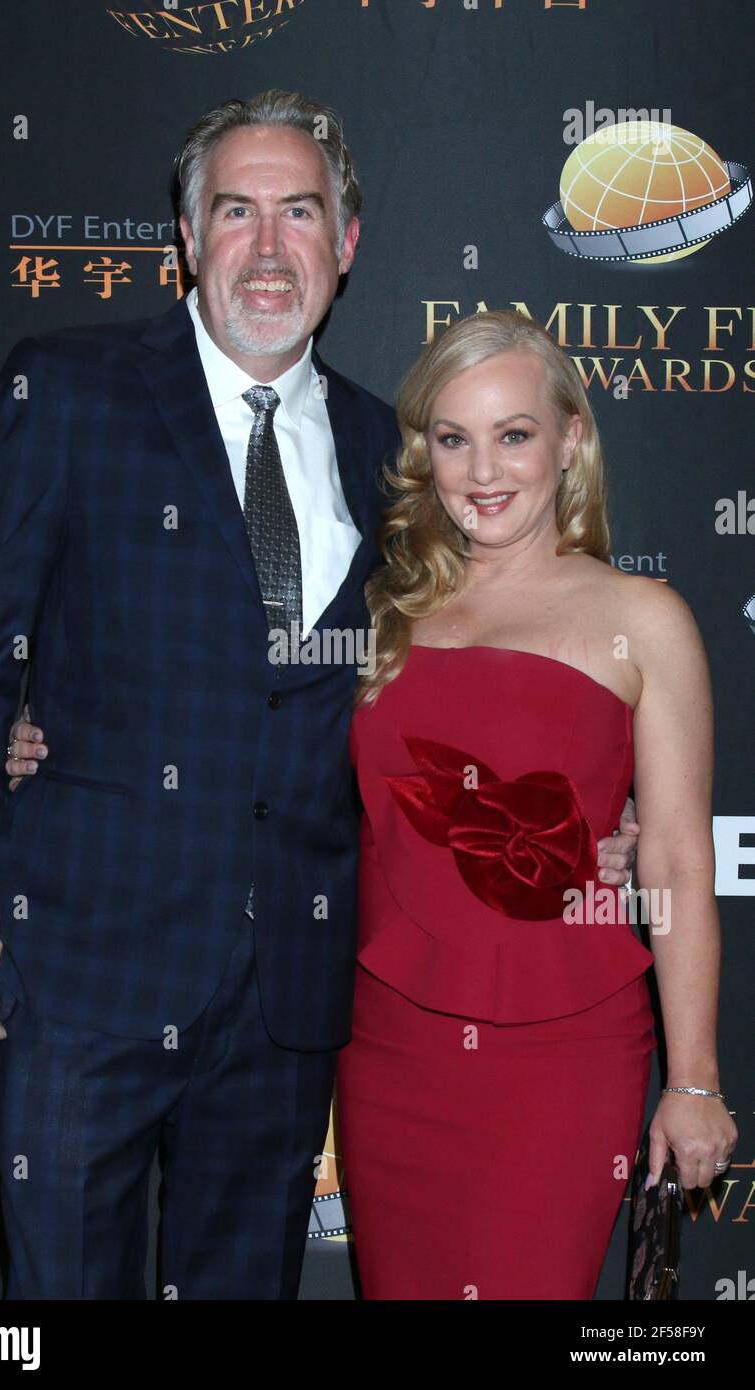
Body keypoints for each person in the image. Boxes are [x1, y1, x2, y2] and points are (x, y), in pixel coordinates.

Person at [0, 91, 636, 1302]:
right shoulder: (70, 392)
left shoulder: (394, 455)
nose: (265, 247)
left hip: (291, 996)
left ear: (344, 243)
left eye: (297, 213)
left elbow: (483, 668)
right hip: (81, 965)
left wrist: (588, 820)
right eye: (233, 211)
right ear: (185, 240)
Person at [333, 309, 738, 1299]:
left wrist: (693, 1081)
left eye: (512, 434)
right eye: (452, 438)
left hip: (562, 1044)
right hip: (388, 1038)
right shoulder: (379, 609)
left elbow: (677, 862)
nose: (482, 471)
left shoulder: (641, 617)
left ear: (569, 440)